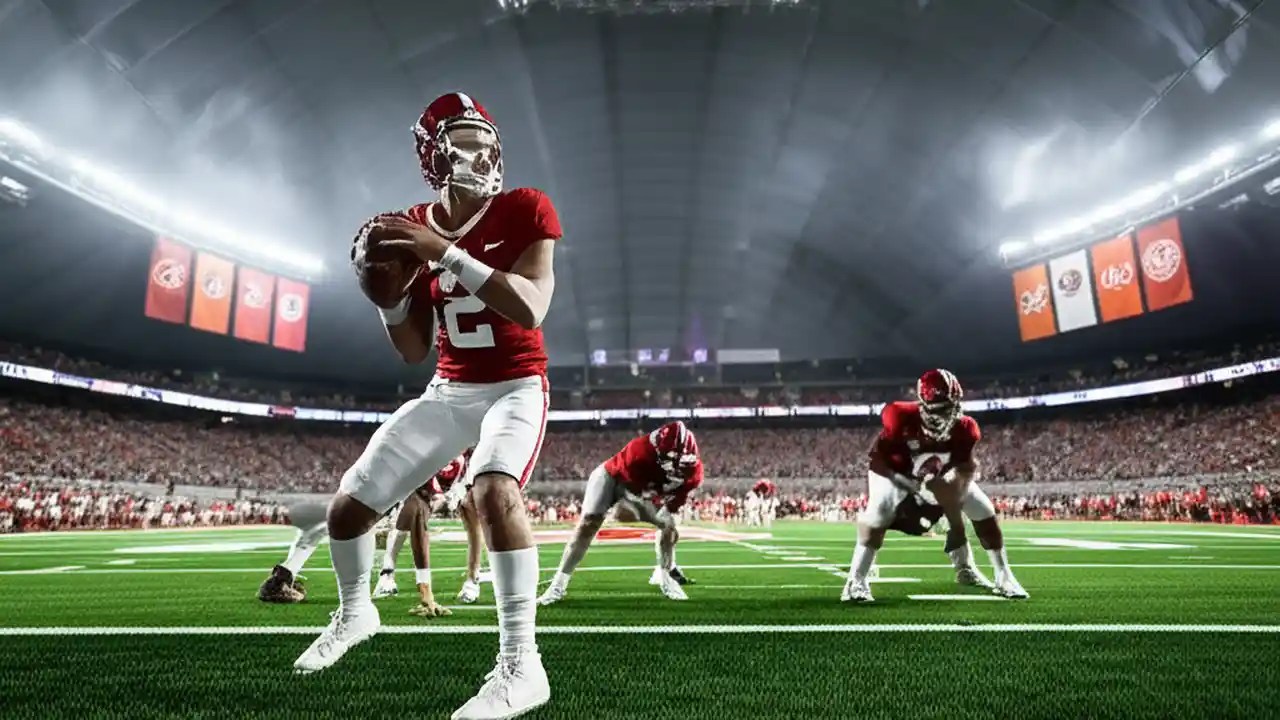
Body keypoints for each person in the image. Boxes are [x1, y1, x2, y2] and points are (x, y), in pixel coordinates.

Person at [293, 91, 561, 720]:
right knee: (348, 507)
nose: (479, 153)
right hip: (447, 388)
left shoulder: (526, 207)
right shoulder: (408, 223)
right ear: (431, 157)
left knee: (494, 492)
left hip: (517, 385)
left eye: (484, 140)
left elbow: (531, 306)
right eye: (461, 142)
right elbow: (413, 349)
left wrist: (440, 252)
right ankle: (356, 614)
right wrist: (385, 297)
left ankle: (522, 667)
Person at [842, 369, 1029, 603]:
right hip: (891, 471)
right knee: (880, 511)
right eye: (941, 409)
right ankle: (855, 581)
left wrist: (949, 499)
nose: (948, 415)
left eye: (951, 407)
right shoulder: (899, 416)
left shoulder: (966, 428)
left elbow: (964, 468)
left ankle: (1001, 575)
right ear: (923, 404)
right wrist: (913, 485)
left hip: (936, 472)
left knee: (982, 507)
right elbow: (888, 458)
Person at [538, 421, 702, 605]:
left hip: (643, 489)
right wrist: (623, 512)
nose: (671, 467)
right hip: (612, 477)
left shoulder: (693, 475)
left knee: (669, 527)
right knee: (588, 524)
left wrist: (663, 518)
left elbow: (669, 509)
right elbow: (628, 500)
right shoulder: (641, 452)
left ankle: (666, 576)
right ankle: (557, 586)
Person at [372, 450, 486, 613]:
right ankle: (387, 574)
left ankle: (473, 579)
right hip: (427, 479)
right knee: (411, 514)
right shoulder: (427, 452)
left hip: (464, 473)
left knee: (471, 512)